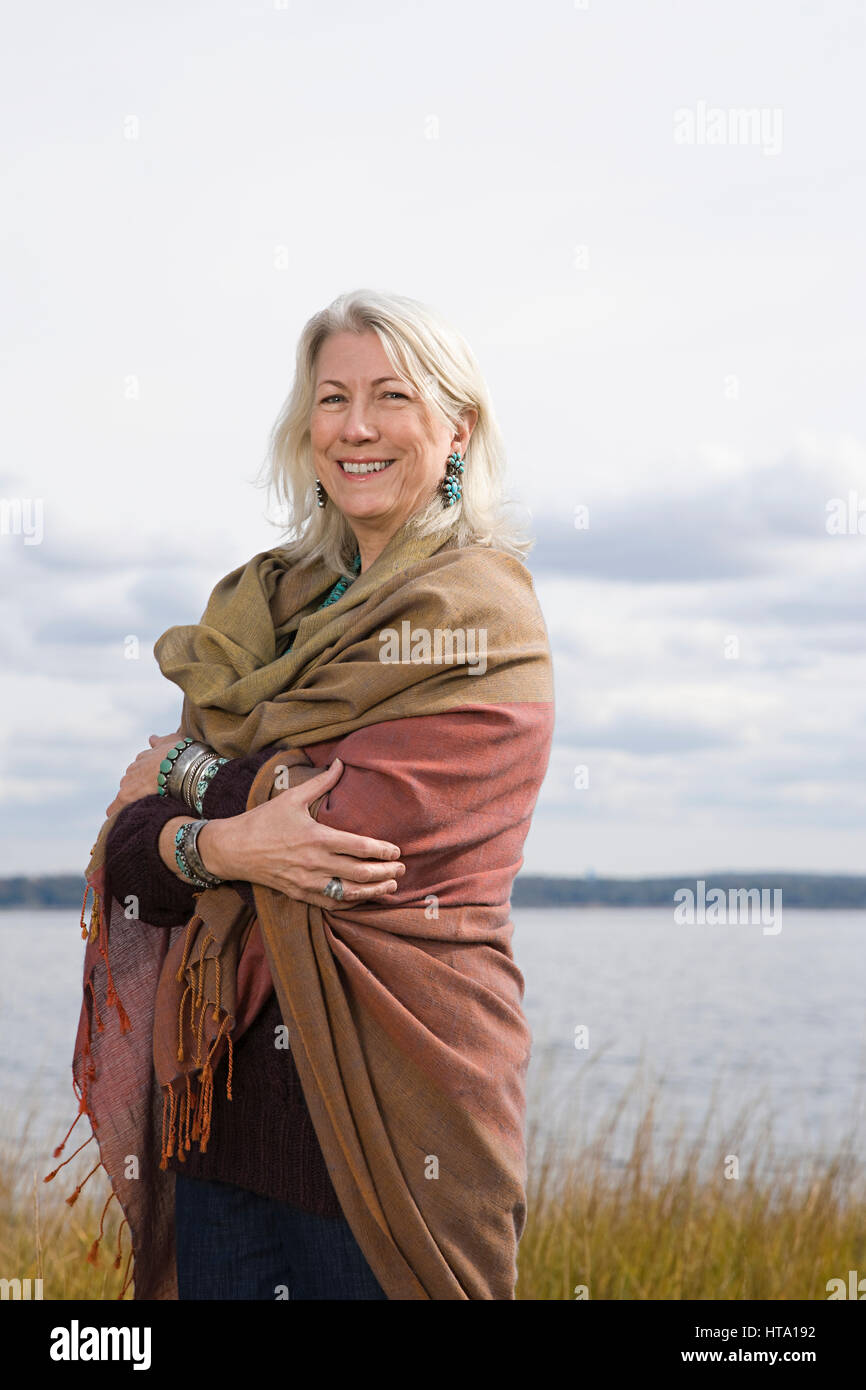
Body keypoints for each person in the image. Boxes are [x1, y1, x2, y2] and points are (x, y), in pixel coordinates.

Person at [60, 288, 555, 1301]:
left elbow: (346, 835)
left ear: (455, 426)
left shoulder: (478, 612)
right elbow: (129, 857)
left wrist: (187, 782)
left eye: (389, 397)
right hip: (219, 1121)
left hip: (398, 1114)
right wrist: (229, 838)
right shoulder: (263, 609)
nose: (356, 427)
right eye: (331, 398)